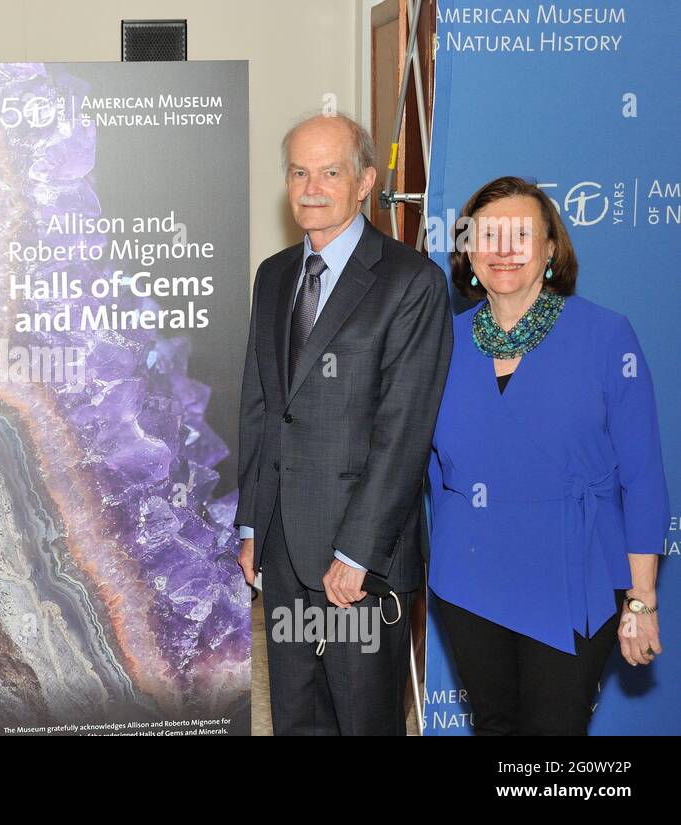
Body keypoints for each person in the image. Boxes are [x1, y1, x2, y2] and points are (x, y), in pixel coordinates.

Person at [234, 112, 452, 735]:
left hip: (361, 560)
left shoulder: (412, 283)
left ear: (363, 182)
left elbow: (404, 432)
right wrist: (253, 523)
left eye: (330, 172)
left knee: (364, 720)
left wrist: (357, 551)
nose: (311, 187)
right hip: (280, 548)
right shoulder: (274, 275)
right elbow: (261, 406)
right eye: (300, 172)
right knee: (296, 717)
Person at [428, 175, 668, 735]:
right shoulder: (442, 342)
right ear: (467, 250)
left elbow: (643, 476)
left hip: (574, 568)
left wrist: (641, 601)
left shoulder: (606, 336)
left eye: (520, 234)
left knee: (554, 735)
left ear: (551, 248)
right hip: (469, 571)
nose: (503, 250)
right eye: (487, 235)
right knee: (493, 726)